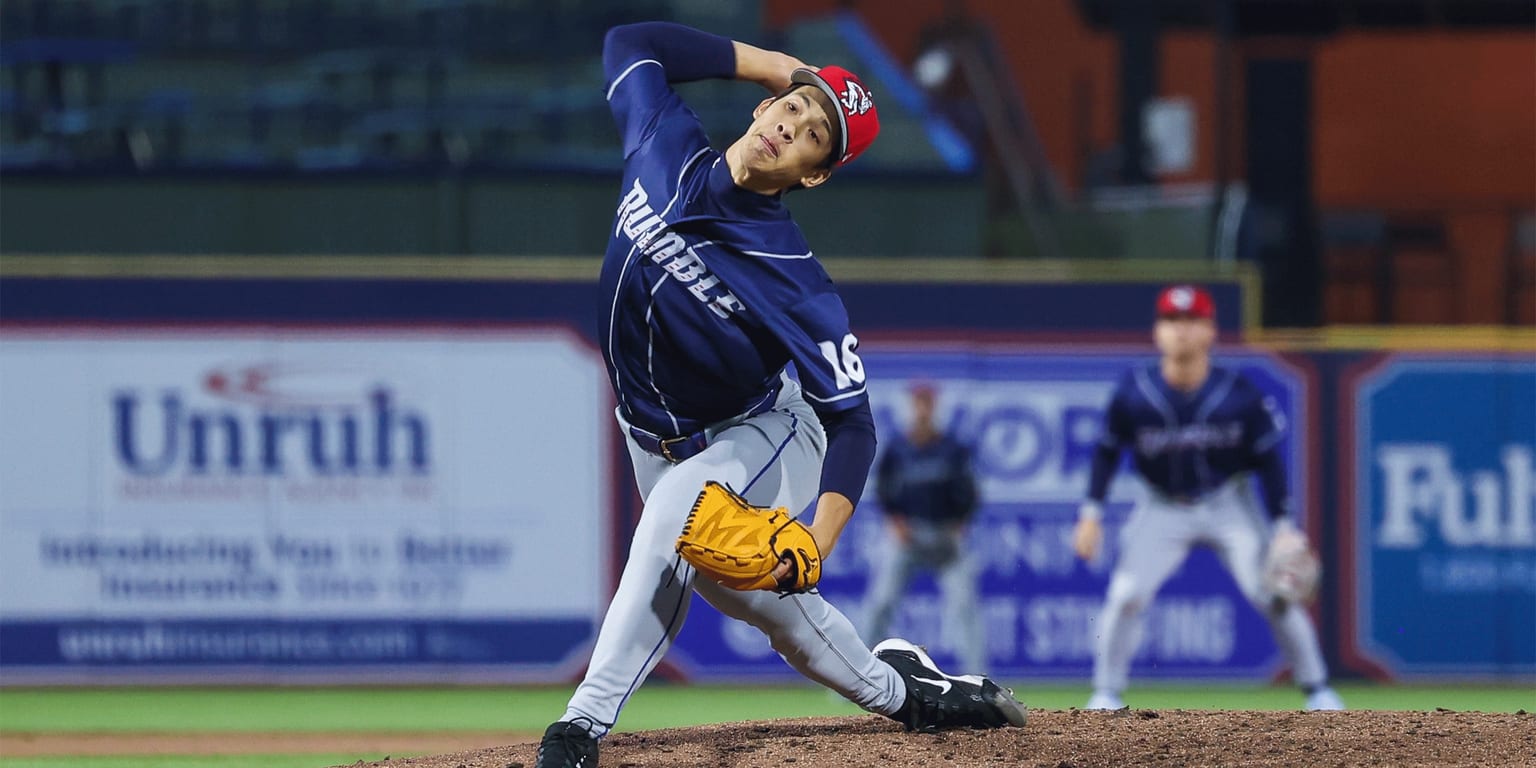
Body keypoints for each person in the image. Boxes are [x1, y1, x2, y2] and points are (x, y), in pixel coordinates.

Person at [534, 22, 1026, 768]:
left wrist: (816, 539)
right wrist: (768, 64)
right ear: (767, 108)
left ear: (814, 173)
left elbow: (853, 424)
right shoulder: (664, 136)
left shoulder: (792, 274)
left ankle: (578, 730)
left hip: (762, 431)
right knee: (770, 612)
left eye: (815, 135)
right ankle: (907, 692)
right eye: (795, 109)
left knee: (673, 521)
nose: (792, 126)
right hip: (650, 436)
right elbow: (628, 42)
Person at [1072, 284, 1345, 712]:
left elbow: (1268, 464)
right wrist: (1090, 513)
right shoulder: (1134, 392)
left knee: (1274, 590)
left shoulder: (1239, 395)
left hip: (1227, 503)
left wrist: (1283, 527)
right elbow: (1106, 453)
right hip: (1161, 505)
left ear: (1210, 332)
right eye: (1171, 321)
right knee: (1126, 595)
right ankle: (1105, 693)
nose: (1181, 330)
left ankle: (1319, 690)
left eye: (1191, 320)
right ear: (1157, 332)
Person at [863, 383, 986, 673]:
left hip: (946, 538)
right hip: (908, 537)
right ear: (909, 406)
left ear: (935, 407)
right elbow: (882, 491)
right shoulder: (898, 448)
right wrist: (895, 522)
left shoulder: (952, 448)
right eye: (917, 402)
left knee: (965, 607)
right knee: (880, 603)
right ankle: (859, 675)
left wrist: (960, 523)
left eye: (927, 402)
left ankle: (981, 678)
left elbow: (971, 493)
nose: (922, 409)